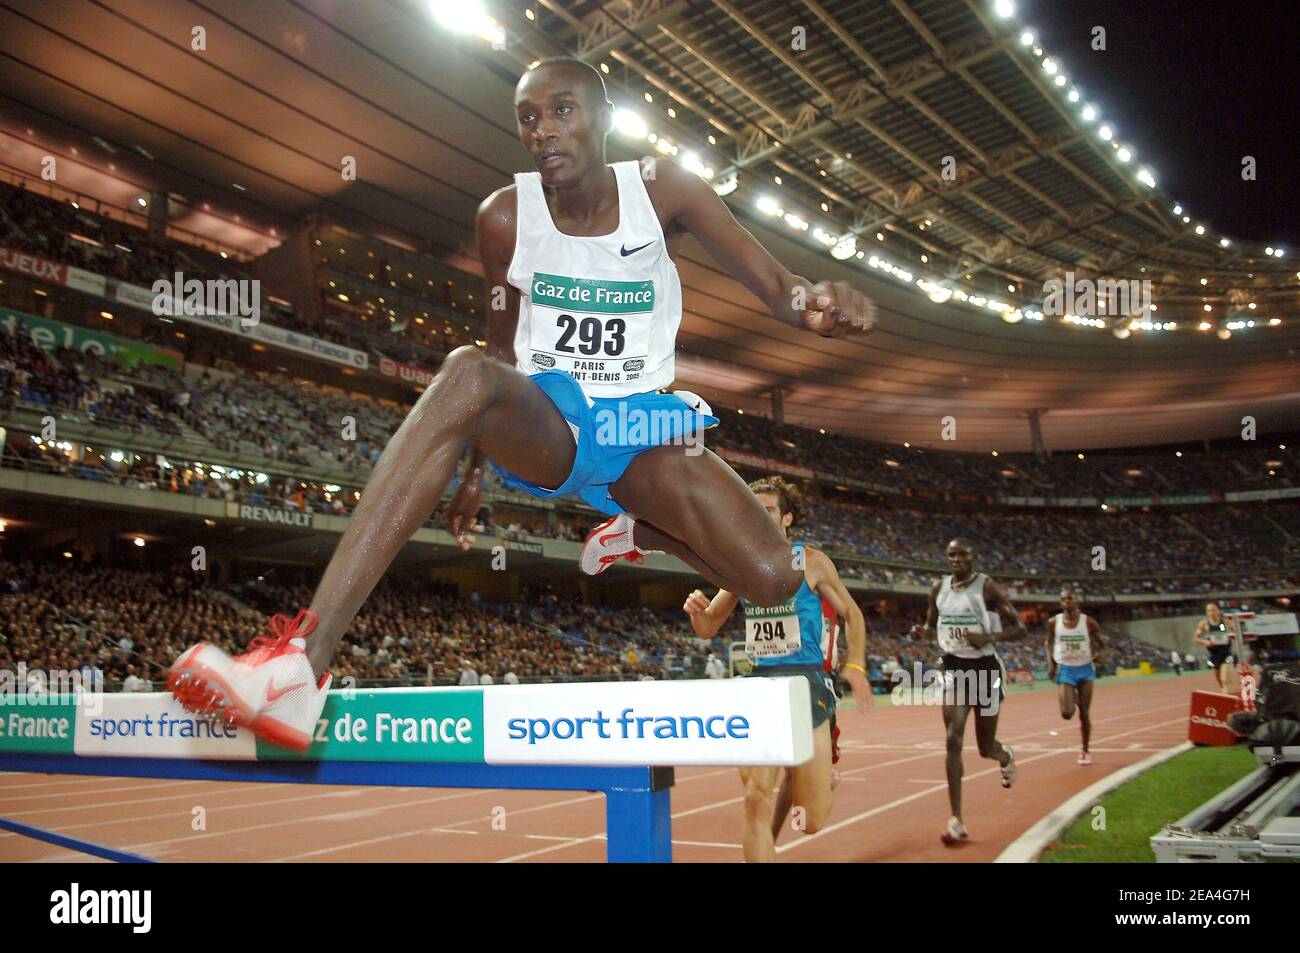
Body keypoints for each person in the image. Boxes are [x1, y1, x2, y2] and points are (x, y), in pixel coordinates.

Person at [167, 57, 875, 750]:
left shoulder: (665, 190)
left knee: (777, 578)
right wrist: (473, 465)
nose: (542, 130)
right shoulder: (505, 217)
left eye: (561, 111)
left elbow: (780, 289)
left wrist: (817, 306)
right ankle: (301, 665)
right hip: (553, 419)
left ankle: (641, 532)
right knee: (466, 371)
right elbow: (497, 356)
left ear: (602, 119)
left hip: (643, 426)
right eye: (528, 118)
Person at [682, 476, 868, 863]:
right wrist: (698, 612)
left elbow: (852, 613)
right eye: (753, 510)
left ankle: (815, 774)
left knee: (812, 819)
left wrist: (856, 665)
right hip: (761, 686)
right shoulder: (742, 565)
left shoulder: (810, 561)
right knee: (753, 799)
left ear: (787, 519)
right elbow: (709, 626)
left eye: (767, 510)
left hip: (807, 684)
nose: (758, 517)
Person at [910, 538, 1030, 847]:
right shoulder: (938, 589)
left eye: (962, 554)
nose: (956, 559)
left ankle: (1005, 756)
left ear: (973, 556)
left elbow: (1020, 628)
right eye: (951, 555)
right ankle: (957, 820)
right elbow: (930, 625)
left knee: (985, 747)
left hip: (985, 669)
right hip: (953, 668)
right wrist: (920, 632)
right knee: (953, 738)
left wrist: (988, 636)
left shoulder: (987, 587)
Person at [1045, 588, 1106, 766]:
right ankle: (1072, 696)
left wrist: (1100, 656)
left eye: (1070, 599)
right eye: (1064, 599)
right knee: (1066, 713)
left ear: (1076, 601)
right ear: (1060, 603)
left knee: (1084, 714)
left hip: (1086, 669)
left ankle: (1085, 751)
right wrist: (1051, 663)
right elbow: (1047, 641)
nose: (1067, 602)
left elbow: (1102, 645)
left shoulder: (1089, 623)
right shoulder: (1053, 622)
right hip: (1066, 669)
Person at [1194, 602, 1234, 692]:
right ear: (1207, 613)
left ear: (1218, 611)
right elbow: (1196, 639)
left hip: (1226, 653)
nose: (1211, 613)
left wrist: (1231, 632)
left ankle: (1226, 692)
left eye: (1213, 610)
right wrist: (1205, 642)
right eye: (1209, 611)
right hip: (1214, 655)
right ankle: (1225, 692)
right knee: (1220, 681)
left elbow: (1235, 632)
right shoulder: (1204, 624)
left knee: (1224, 679)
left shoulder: (1225, 622)